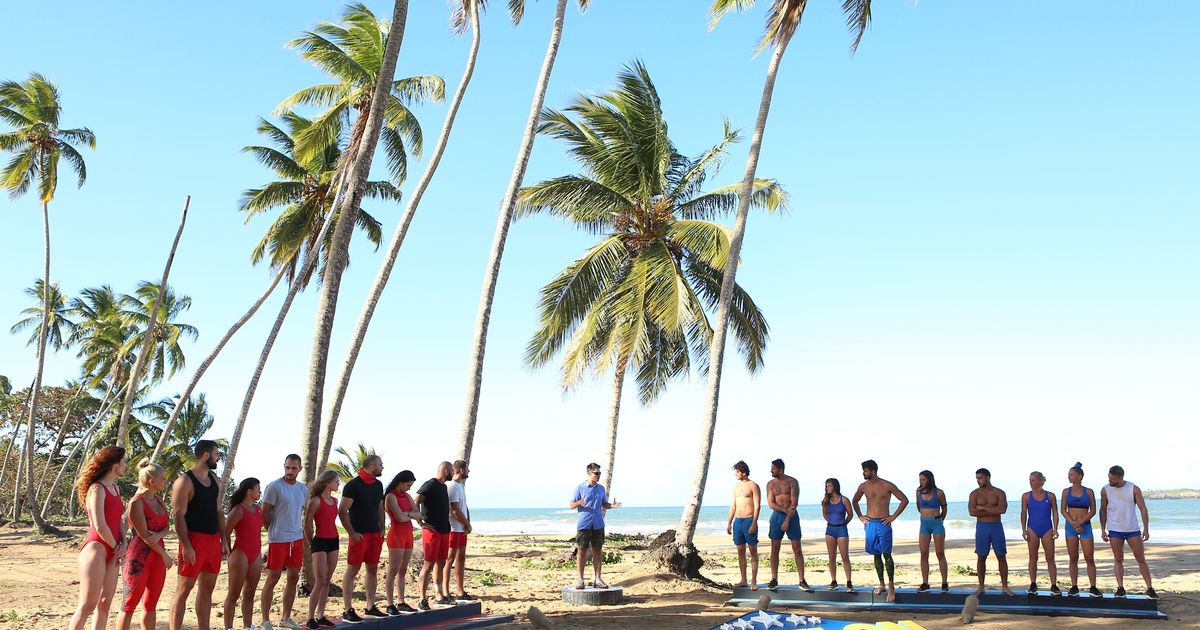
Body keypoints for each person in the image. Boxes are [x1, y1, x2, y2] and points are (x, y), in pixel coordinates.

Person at [169, 439, 228, 630]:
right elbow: (178, 516)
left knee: (207, 590)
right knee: (184, 589)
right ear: (206, 455)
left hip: (213, 541)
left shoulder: (215, 480)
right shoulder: (184, 481)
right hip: (193, 539)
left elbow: (219, 511)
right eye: (216, 454)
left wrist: (224, 539)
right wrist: (186, 545)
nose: (218, 457)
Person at [70, 445, 129, 630]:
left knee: (105, 603)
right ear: (114, 464)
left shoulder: (116, 488)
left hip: (114, 549)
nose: (126, 465)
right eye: (124, 461)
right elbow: (99, 525)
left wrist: (124, 541)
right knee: (88, 604)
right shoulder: (97, 489)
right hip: (96, 548)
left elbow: (119, 520)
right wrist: (116, 546)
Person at [117, 459, 173, 630]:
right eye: (163, 478)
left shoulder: (159, 501)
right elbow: (144, 536)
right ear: (152, 482)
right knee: (129, 603)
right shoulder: (136, 503)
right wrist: (164, 554)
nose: (166, 481)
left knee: (151, 604)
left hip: (157, 558)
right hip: (138, 558)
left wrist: (159, 535)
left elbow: (167, 526)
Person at [851, 459, 908, 602]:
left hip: (883, 522)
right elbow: (854, 501)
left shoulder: (886, 485)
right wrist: (860, 516)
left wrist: (893, 517)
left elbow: (904, 500)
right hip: (870, 523)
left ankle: (891, 586)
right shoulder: (863, 486)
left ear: (873, 471)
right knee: (876, 555)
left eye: (865, 471)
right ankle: (882, 583)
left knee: (887, 555)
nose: (863, 473)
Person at [260, 455, 307, 630]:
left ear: (299, 469)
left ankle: (285, 618)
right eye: (287, 468)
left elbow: (300, 510)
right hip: (278, 539)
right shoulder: (274, 487)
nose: (289, 471)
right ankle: (265, 620)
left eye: (294, 468)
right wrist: (272, 530)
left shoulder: (303, 489)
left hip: (297, 538)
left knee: (293, 578)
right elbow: (265, 511)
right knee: (273, 578)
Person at [339, 454, 387, 623]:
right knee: (352, 570)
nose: (383, 467)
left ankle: (370, 607)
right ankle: (347, 610)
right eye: (381, 465)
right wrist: (352, 533)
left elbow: (380, 506)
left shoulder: (378, 484)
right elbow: (342, 510)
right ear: (372, 466)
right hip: (359, 535)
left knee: (372, 569)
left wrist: (382, 527)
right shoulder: (353, 485)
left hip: (375, 534)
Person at [1100, 465, 1156, 599]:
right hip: (1114, 530)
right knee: (1118, 559)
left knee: (1140, 559)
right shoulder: (1105, 490)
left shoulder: (1133, 488)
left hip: (1132, 529)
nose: (1109, 480)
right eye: (1109, 476)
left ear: (1120, 478)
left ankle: (1149, 588)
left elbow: (1143, 508)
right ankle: (1120, 588)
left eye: (1112, 478)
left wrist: (1146, 529)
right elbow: (1102, 510)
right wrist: (1103, 529)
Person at [568, 462, 621, 590]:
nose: (598, 475)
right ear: (589, 473)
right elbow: (571, 505)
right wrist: (579, 502)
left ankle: (598, 579)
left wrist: (611, 506)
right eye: (596, 473)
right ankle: (580, 580)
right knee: (582, 551)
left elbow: (604, 504)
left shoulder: (601, 488)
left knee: (597, 551)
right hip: (584, 523)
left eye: (599, 473)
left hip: (598, 524)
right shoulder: (580, 488)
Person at [223, 478, 264, 630]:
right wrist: (229, 552)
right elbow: (225, 533)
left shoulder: (258, 508)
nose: (260, 491)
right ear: (249, 491)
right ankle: (229, 627)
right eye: (258, 489)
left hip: (256, 554)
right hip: (240, 554)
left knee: (250, 594)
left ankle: (248, 626)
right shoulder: (238, 510)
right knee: (233, 594)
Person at [765, 459, 811, 592]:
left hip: (792, 516)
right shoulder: (770, 484)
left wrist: (787, 519)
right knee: (774, 548)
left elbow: (794, 503)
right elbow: (770, 503)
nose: (771, 470)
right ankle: (774, 579)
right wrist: (784, 513)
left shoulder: (792, 482)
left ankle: (802, 580)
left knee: (797, 548)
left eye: (773, 468)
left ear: (780, 469)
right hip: (777, 516)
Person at [303, 470, 341, 629]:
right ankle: (311, 617)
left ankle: (321, 615)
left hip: (334, 541)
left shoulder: (335, 500)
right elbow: (307, 524)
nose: (339, 483)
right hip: (319, 542)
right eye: (336, 481)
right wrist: (312, 542)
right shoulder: (316, 501)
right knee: (320, 581)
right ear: (328, 482)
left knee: (326, 581)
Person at [968, 468, 1014, 596]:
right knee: (981, 556)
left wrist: (982, 508)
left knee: (1001, 556)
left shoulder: (999, 492)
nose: (978, 481)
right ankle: (981, 586)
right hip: (982, 527)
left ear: (988, 477)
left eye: (980, 478)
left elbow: (1003, 509)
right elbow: (972, 512)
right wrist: (993, 509)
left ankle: (1005, 586)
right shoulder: (974, 494)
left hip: (996, 526)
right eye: (977, 478)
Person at [416, 461, 454, 609]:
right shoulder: (431, 484)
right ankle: (422, 598)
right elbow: (416, 499)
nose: (452, 472)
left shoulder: (443, 487)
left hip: (444, 529)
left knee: (441, 562)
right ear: (445, 471)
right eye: (451, 470)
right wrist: (420, 521)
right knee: (428, 564)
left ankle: (439, 594)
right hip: (432, 530)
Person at [1060, 462, 1100, 597]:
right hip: (1071, 527)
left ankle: (1093, 587)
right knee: (1073, 557)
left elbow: (1093, 510)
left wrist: (1081, 522)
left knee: (1089, 557)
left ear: (1079, 476)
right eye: (1068, 475)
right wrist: (1073, 523)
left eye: (1071, 475)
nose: (1069, 477)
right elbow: (1063, 510)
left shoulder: (1089, 492)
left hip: (1085, 526)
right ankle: (1074, 586)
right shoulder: (1066, 492)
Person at [383, 470, 420, 615]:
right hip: (396, 535)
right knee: (393, 570)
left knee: (403, 569)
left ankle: (401, 601)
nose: (409, 488)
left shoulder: (407, 496)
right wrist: (409, 514)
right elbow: (400, 518)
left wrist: (409, 514)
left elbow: (418, 513)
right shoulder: (391, 496)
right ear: (401, 482)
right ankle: (390, 604)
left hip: (408, 534)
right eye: (408, 485)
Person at [1020, 471, 1060, 595]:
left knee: (1050, 558)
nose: (1031, 483)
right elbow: (1023, 513)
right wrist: (1024, 529)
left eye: (1033, 480)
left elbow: (1055, 513)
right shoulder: (1026, 496)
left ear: (1040, 481)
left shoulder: (1050, 496)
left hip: (1047, 529)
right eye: (1030, 480)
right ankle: (1033, 584)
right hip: (1032, 529)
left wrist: (1055, 528)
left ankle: (1053, 585)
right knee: (1033, 557)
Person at [726, 461, 761, 590]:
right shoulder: (735, 487)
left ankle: (753, 580)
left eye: (737, 471)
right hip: (738, 521)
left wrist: (754, 522)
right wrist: (729, 522)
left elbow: (757, 506)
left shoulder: (753, 486)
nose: (735, 474)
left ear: (744, 472)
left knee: (753, 551)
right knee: (740, 551)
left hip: (749, 520)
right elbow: (733, 506)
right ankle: (743, 580)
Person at [446, 460, 477, 601]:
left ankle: (460, 590)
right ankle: (445, 591)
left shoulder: (460, 486)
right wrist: (466, 523)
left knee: (461, 558)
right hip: (453, 527)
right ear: (462, 470)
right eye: (467, 469)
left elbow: (464, 507)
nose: (469, 472)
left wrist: (468, 522)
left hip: (461, 527)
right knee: (449, 558)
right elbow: (455, 509)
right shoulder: (451, 486)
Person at [915, 470, 949, 593]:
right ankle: (925, 582)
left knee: (940, 553)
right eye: (920, 479)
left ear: (929, 479)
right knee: (923, 553)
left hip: (937, 524)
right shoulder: (918, 492)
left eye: (923, 479)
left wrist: (940, 519)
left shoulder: (939, 493)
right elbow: (919, 507)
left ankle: (944, 583)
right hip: (924, 524)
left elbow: (944, 508)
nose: (921, 482)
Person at [821, 478, 853, 592]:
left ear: (834, 486)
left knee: (845, 556)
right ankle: (833, 581)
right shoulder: (825, 501)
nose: (827, 488)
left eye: (829, 485)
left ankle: (849, 582)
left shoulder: (844, 500)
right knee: (831, 557)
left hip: (841, 530)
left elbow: (850, 514)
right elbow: (825, 514)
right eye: (826, 486)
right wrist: (831, 522)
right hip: (830, 530)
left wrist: (843, 523)